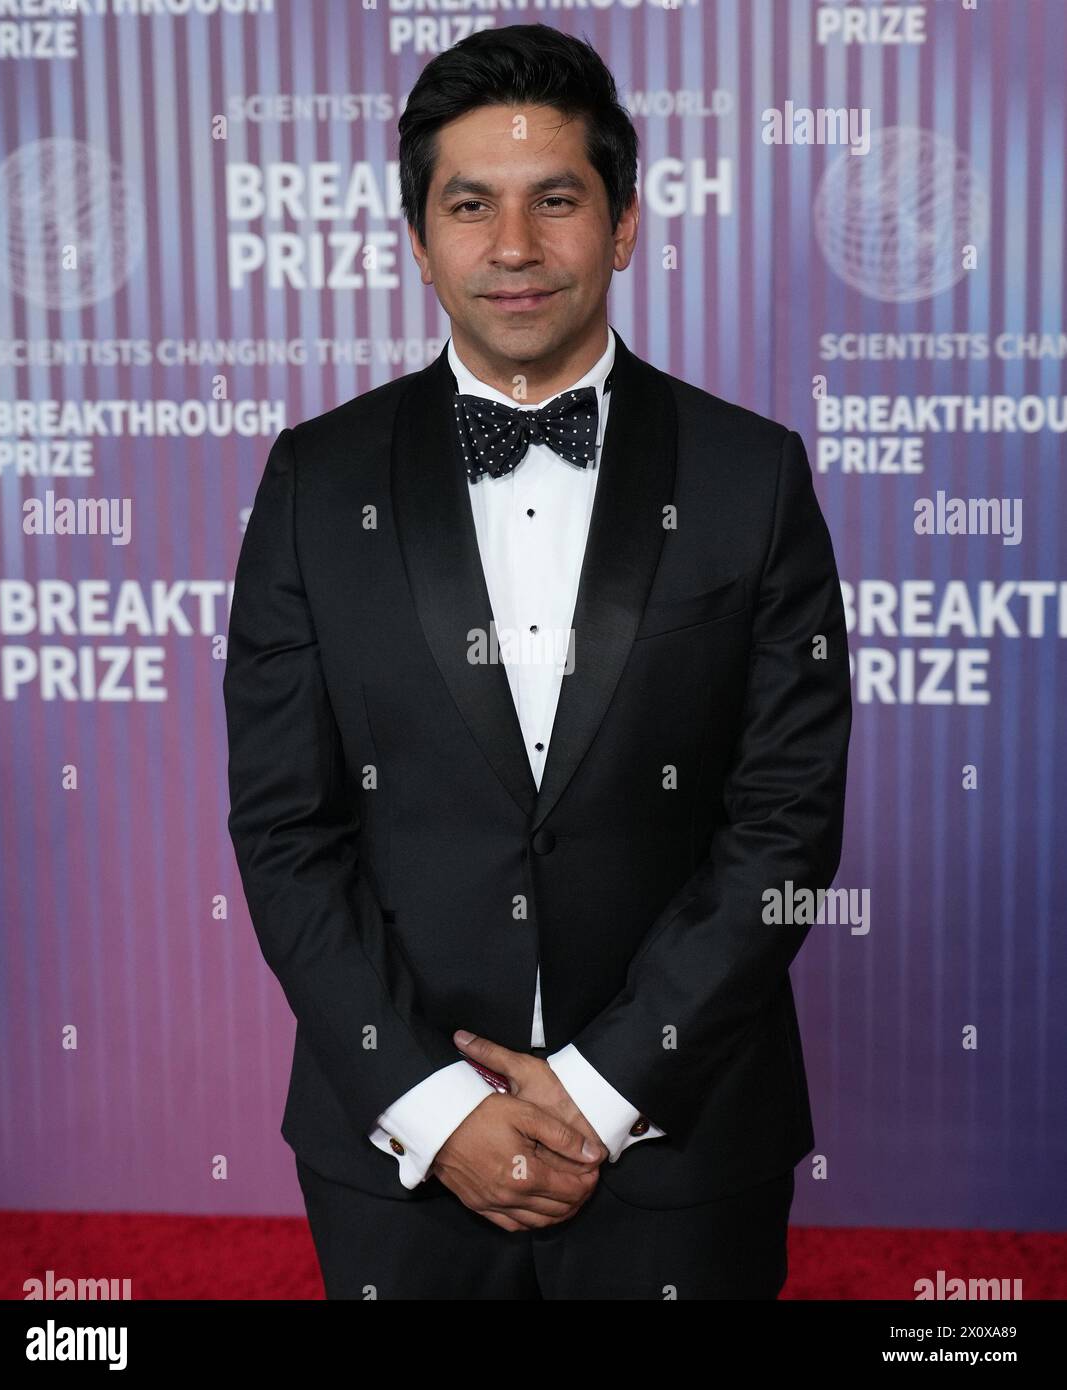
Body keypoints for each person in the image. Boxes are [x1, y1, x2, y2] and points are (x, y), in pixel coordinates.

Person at [223, 22, 852, 1300]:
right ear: (418, 239)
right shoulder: (313, 480)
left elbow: (782, 823)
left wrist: (598, 1089)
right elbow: (286, 829)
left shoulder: (750, 475)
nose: (513, 248)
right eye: (470, 205)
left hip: (680, 1147)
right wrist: (436, 1103)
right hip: (399, 1157)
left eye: (555, 200)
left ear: (622, 224)